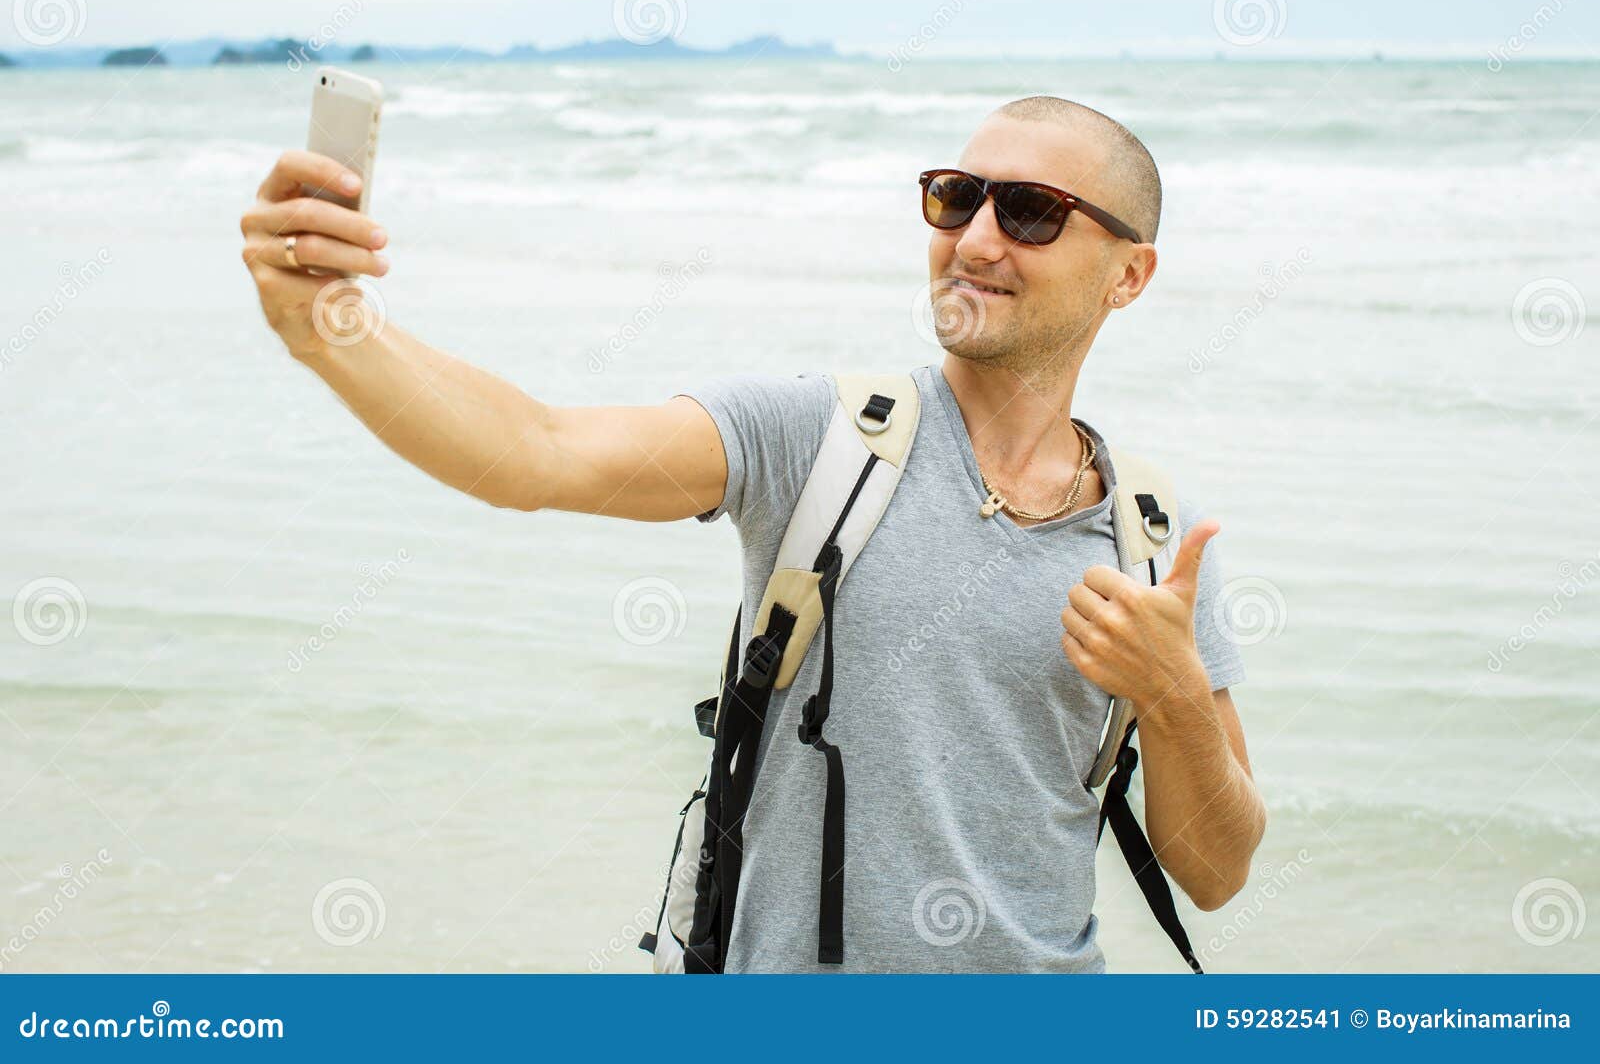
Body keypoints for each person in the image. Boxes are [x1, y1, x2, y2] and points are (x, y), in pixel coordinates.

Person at [238, 94, 1266, 972]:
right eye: (957, 196)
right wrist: (329, 324)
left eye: (1033, 211)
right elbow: (535, 451)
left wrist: (1173, 692)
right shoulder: (821, 438)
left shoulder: (1149, 537)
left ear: (1128, 274)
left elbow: (1216, 870)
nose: (977, 237)